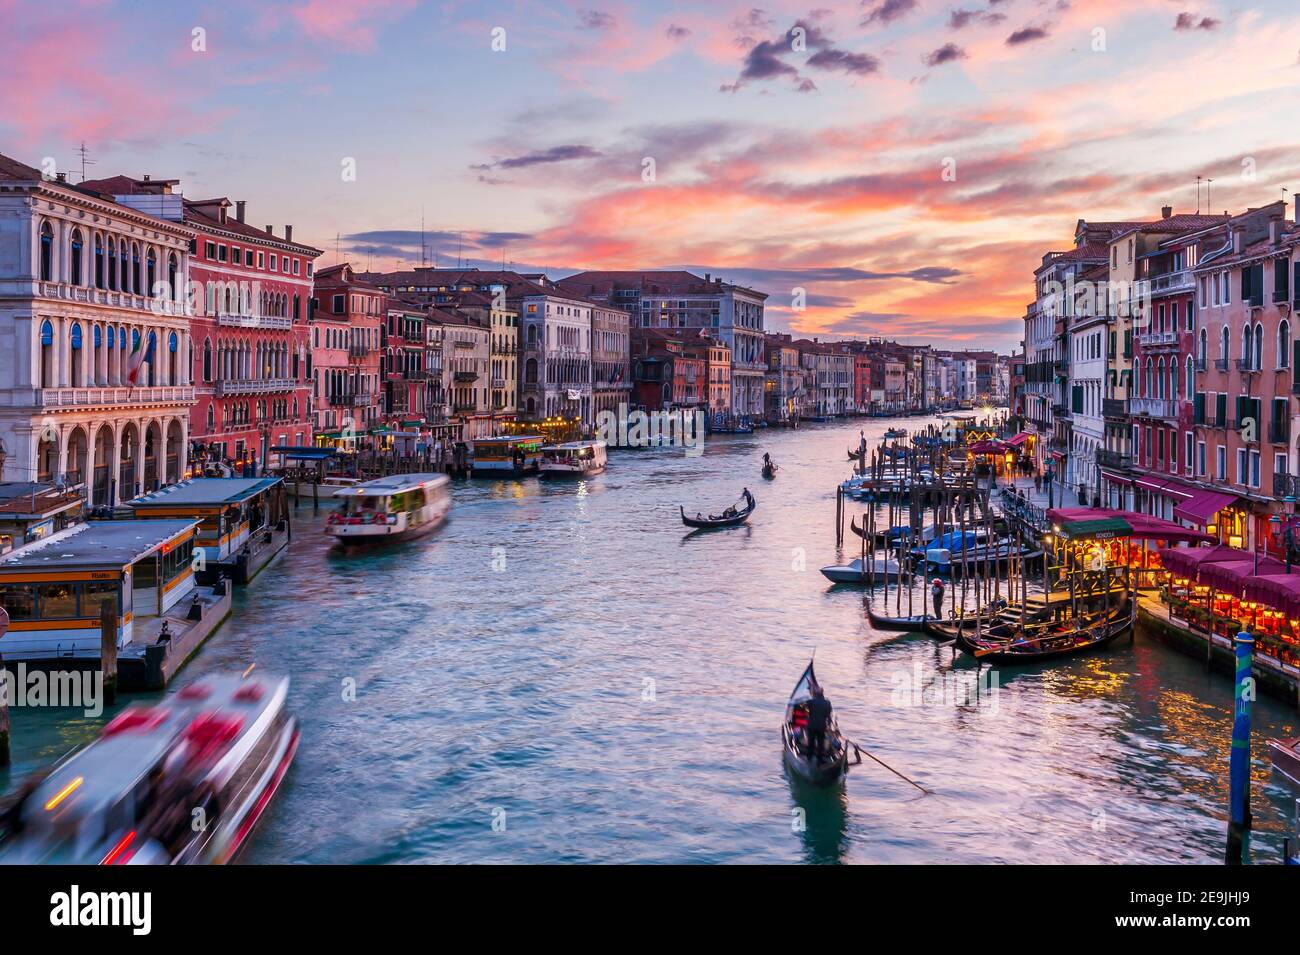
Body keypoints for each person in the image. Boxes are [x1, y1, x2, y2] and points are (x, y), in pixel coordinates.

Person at [805, 684, 833, 762]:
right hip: (821, 726)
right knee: (821, 743)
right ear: (823, 693)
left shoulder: (810, 702)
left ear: (815, 694)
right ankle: (819, 759)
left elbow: (806, 710)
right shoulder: (827, 703)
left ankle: (809, 758)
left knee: (811, 742)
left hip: (812, 726)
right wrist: (828, 725)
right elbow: (828, 715)